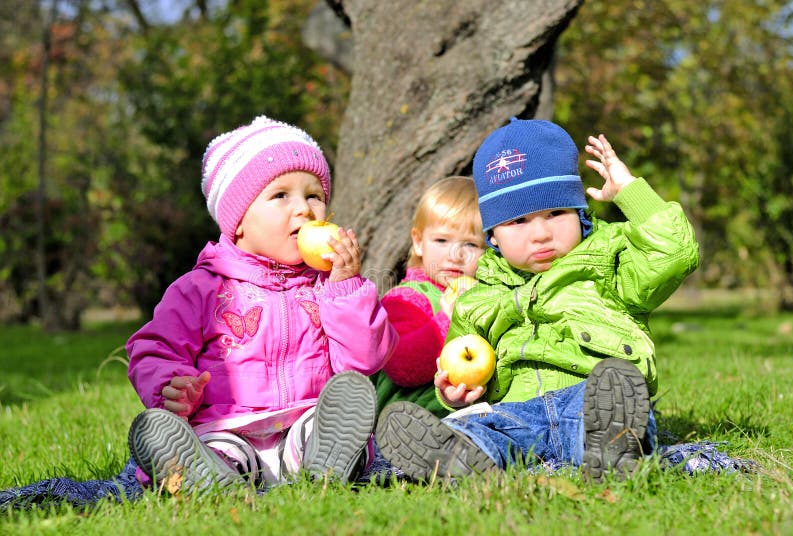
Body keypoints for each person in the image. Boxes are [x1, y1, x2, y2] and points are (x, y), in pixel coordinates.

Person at [375, 118, 700, 483]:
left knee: (605, 408)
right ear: (493, 236)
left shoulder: (610, 262)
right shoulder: (477, 299)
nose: (542, 234)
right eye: (520, 221)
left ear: (578, 212)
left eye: (557, 213)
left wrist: (630, 192)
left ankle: (614, 447)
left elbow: (675, 253)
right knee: (488, 427)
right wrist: (454, 394)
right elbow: (460, 362)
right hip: (516, 410)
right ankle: (460, 454)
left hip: (590, 399)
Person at [125, 116, 398, 494]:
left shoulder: (329, 286)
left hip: (304, 426)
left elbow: (365, 360)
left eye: (314, 195)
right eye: (281, 195)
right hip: (227, 428)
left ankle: (326, 465)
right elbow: (153, 348)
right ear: (238, 222)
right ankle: (207, 476)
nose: (304, 209)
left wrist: (347, 287)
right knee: (217, 449)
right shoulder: (203, 287)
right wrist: (170, 386)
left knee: (323, 422)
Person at [372, 177, 485, 417]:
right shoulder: (407, 298)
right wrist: (447, 320)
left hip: (461, 410)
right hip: (407, 416)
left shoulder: (485, 297)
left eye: (471, 245)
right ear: (419, 242)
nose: (455, 255)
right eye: (442, 240)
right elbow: (401, 366)